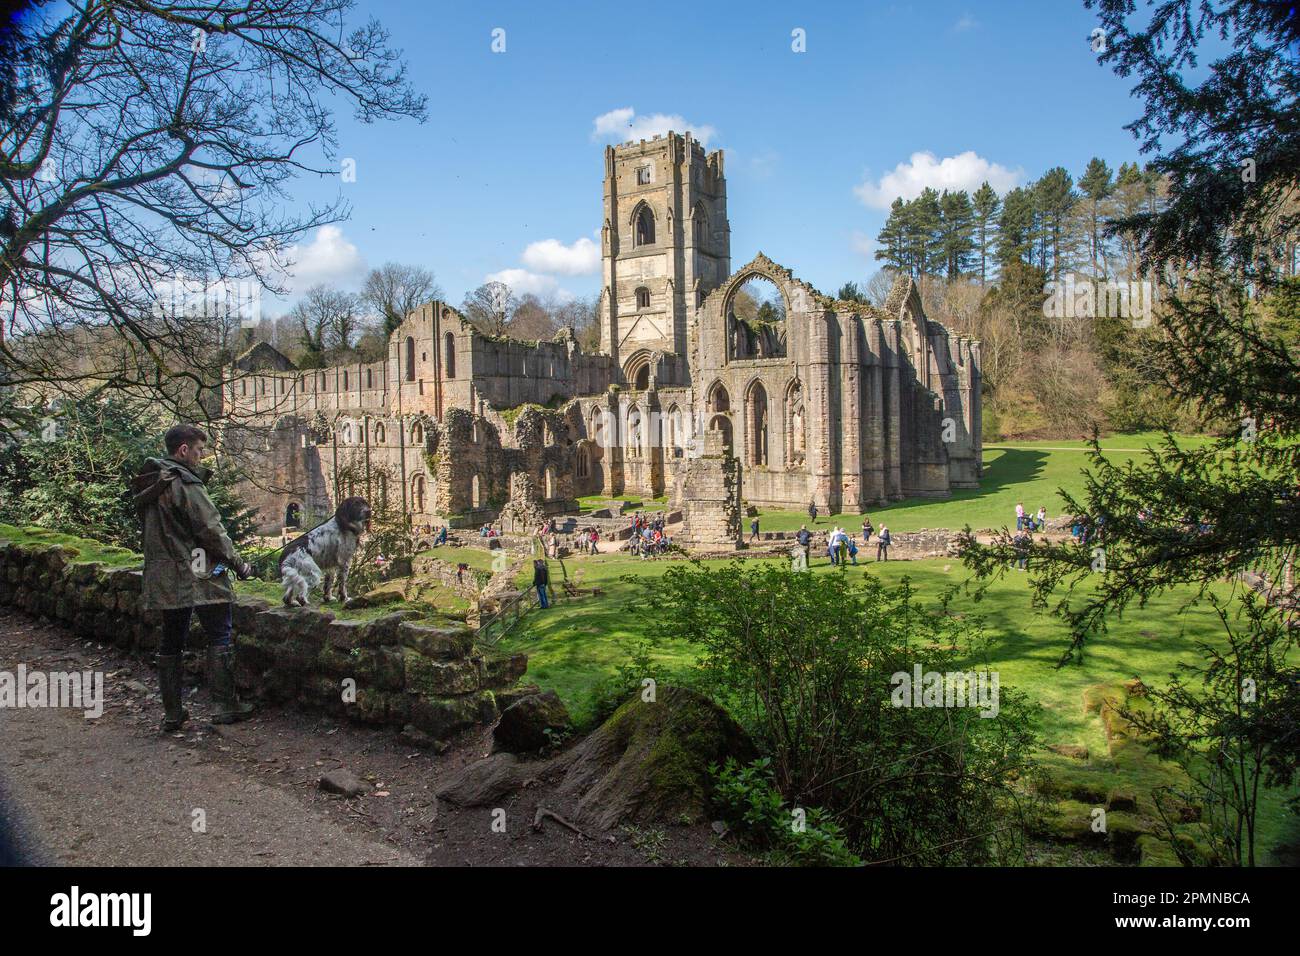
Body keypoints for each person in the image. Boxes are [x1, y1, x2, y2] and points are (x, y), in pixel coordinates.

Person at [132, 424, 254, 731]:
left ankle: (173, 713)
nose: (201, 458)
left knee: (171, 640)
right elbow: (211, 531)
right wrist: (239, 564)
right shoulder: (185, 483)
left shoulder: (150, 483)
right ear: (183, 450)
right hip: (198, 574)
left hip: (165, 575)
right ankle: (225, 706)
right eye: (198, 451)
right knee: (220, 633)